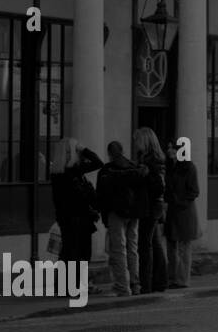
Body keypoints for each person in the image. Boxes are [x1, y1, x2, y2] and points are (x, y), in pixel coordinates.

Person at [96, 141, 146, 296]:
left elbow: (101, 197)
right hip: (134, 214)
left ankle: (122, 286)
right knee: (132, 249)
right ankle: (135, 284)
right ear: (123, 150)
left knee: (119, 250)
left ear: (109, 153)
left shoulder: (107, 171)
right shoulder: (135, 167)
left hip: (116, 212)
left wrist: (104, 216)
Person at [50, 137, 103, 264]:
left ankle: (65, 283)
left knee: (67, 254)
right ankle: (77, 283)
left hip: (65, 219)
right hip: (79, 218)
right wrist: (84, 149)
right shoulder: (73, 171)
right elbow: (98, 162)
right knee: (80, 255)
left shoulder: (56, 173)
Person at [132, 127, 168, 293]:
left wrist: (145, 176)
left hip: (151, 206)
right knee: (154, 243)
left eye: (137, 139)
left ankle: (147, 283)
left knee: (145, 245)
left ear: (145, 141)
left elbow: (159, 187)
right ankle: (159, 282)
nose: (135, 143)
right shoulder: (152, 159)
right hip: (154, 205)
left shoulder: (151, 161)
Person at [164, 140, 200, 289]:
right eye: (169, 148)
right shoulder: (170, 167)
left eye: (173, 148)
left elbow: (194, 191)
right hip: (172, 211)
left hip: (184, 211)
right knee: (171, 246)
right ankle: (172, 278)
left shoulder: (189, 167)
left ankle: (182, 279)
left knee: (184, 247)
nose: (170, 150)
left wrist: (178, 201)